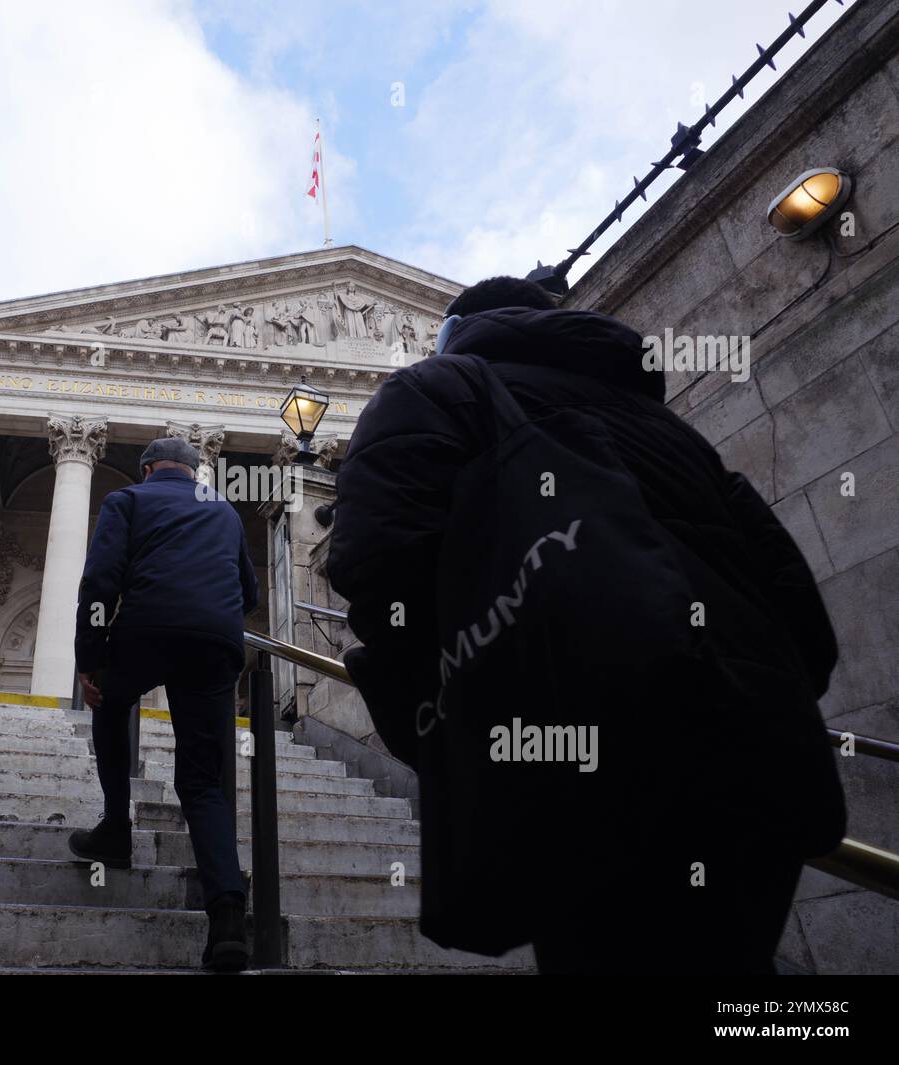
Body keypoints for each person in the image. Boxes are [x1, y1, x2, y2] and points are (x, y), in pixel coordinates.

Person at [326, 275, 846, 974]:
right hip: (753, 743)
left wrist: (445, 712)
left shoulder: (434, 387)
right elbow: (795, 600)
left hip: (576, 737)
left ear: (450, 332)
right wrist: (767, 692)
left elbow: (374, 560)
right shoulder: (670, 430)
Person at [68, 436, 259, 972]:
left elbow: (100, 582)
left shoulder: (126, 501)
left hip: (146, 632)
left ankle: (115, 826)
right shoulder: (223, 510)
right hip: (217, 644)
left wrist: (90, 660)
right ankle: (226, 917)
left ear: (147, 468)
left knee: (109, 702)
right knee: (203, 781)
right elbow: (251, 594)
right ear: (196, 471)